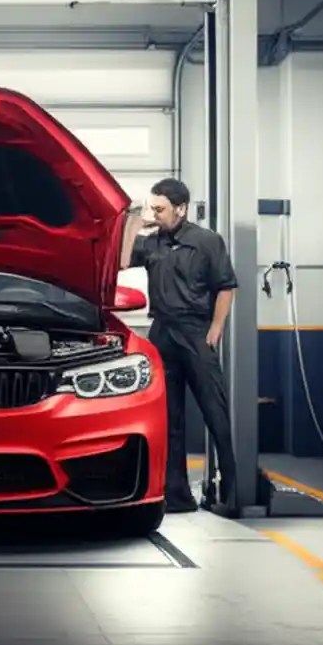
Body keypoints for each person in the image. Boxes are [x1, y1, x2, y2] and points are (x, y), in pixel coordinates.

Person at [122, 178, 239, 518]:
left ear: (182, 208)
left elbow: (226, 287)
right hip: (163, 333)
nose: (155, 214)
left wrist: (215, 329)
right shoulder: (152, 243)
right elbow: (121, 259)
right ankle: (177, 495)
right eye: (152, 208)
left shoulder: (207, 242)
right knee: (168, 417)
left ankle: (231, 491)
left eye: (160, 209)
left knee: (214, 410)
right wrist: (134, 223)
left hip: (196, 332)